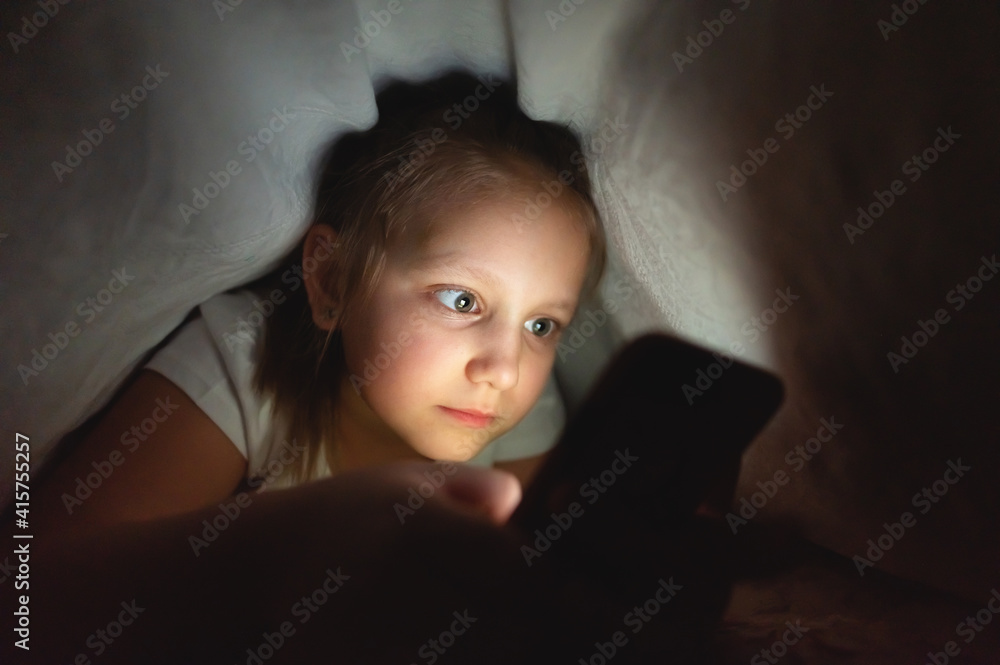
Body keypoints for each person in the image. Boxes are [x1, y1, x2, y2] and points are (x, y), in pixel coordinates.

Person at [11, 72, 610, 663]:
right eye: (461, 300)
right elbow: (31, 600)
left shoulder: (516, 410)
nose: (504, 370)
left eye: (541, 326)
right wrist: (290, 543)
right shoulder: (242, 368)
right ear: (331, 280)